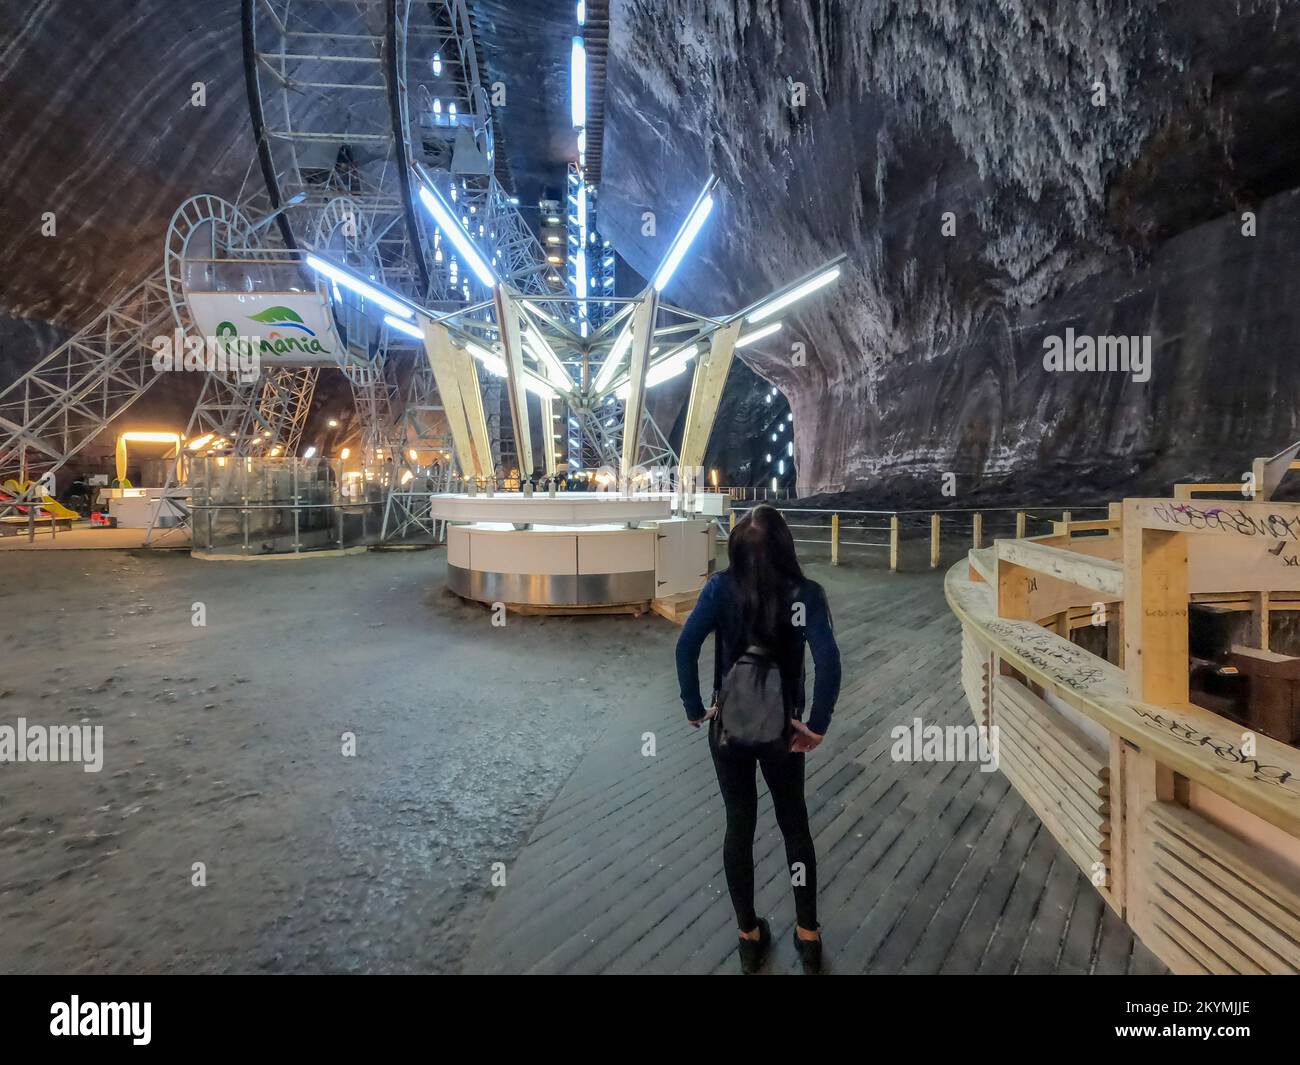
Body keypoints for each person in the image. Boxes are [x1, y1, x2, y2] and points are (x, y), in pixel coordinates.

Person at [675, 504, 841, 974]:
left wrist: (694, 708)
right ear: (787, 547)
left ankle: (749, 935)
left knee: (739, 826)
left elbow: (686, 646)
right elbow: (829, 661)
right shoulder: (804, 595)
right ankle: (808, 935)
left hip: (728, 731)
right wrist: (817, 723)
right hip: (783, 734)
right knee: (795, 828)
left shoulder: (719, 589)